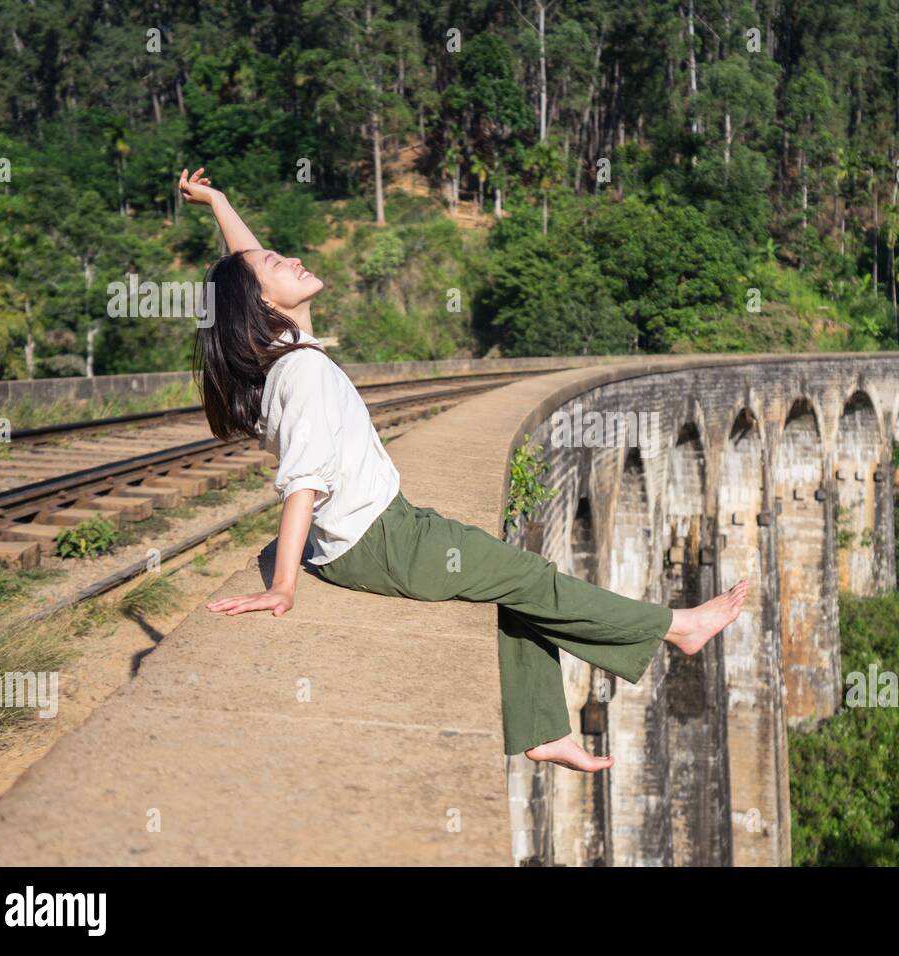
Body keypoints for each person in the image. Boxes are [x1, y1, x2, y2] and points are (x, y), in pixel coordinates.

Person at [179, 168, 748, 772]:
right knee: (533, 580)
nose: (292, 257)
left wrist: (217, 200)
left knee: (513, 578)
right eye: (277, 263)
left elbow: (244, 265)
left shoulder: (287, 358)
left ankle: (544, 728)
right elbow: (303, 483)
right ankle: (676, 628)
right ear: (265, 304)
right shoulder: (307, 373)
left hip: (373, 531)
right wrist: (283, 586)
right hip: (381, 540)